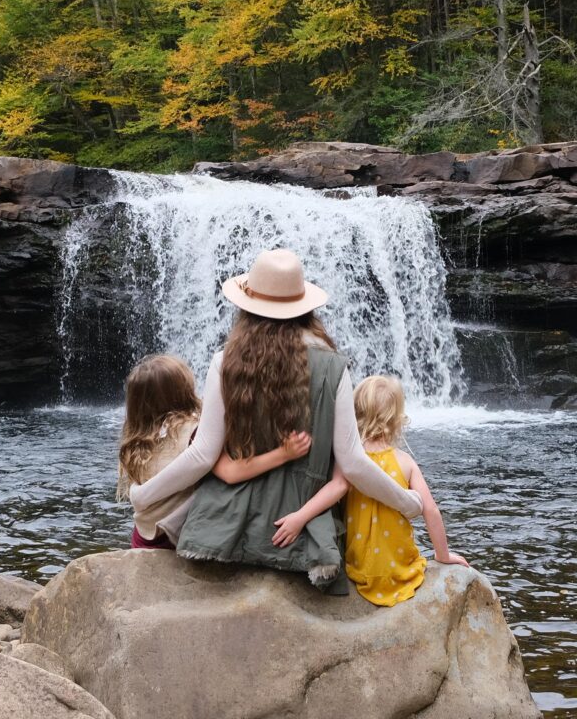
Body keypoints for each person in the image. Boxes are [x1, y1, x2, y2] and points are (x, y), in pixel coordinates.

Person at [128, 248, 422, 591]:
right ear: (305, 309)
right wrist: (407, 502)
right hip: (302, 529)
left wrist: (144, 495)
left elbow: (202, 455)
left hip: (227, 528)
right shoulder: (333, 367)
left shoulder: (224, 361)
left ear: (247, 308)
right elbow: (353, 464)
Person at [268, 374, 466, 605]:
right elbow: (430, 510)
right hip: (402, 569)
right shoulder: (405, 461)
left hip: (360, 568)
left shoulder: (351, 459)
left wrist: (299, 518)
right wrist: (443, 556)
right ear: (396, 419)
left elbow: (337, 487)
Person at [116, 352, 311, 550]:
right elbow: (230, 473)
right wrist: (283, 454)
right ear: (184, 390)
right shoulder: (194, 433)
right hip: (170, 536)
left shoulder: (136, 441)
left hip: (143, 537)